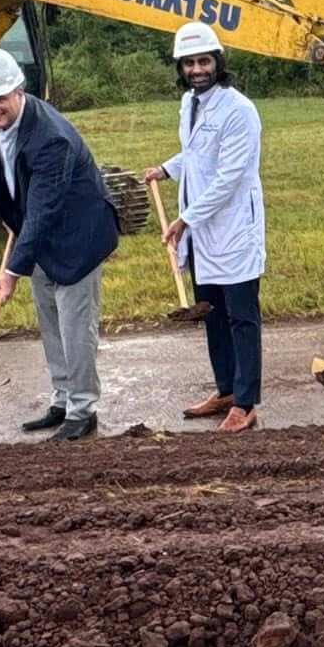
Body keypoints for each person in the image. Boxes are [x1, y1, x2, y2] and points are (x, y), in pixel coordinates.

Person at [0, 46, 121, 439]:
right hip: (37, 234)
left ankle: (83, 410)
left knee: (75, 327)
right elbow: (20, 191)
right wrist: (14, 227)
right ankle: (62, 399)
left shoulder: (51, 139)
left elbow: (45, 210)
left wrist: (11, 271)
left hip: (77, 236)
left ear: (19, 90)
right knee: (50, 323)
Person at [141, 21, 265, 432]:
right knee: (211, 313)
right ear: (181, 67)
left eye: (204, 61)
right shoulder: (189, 104)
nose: (197, 69)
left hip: (233, 229)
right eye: (190, 63)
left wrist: (184, 219)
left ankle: (245, 404)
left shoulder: (239, 110)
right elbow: (196, 154)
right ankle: (226, 389)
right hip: (203, 232)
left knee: (241, 317)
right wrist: (166, 168)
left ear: (218, 62)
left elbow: (228, 176)